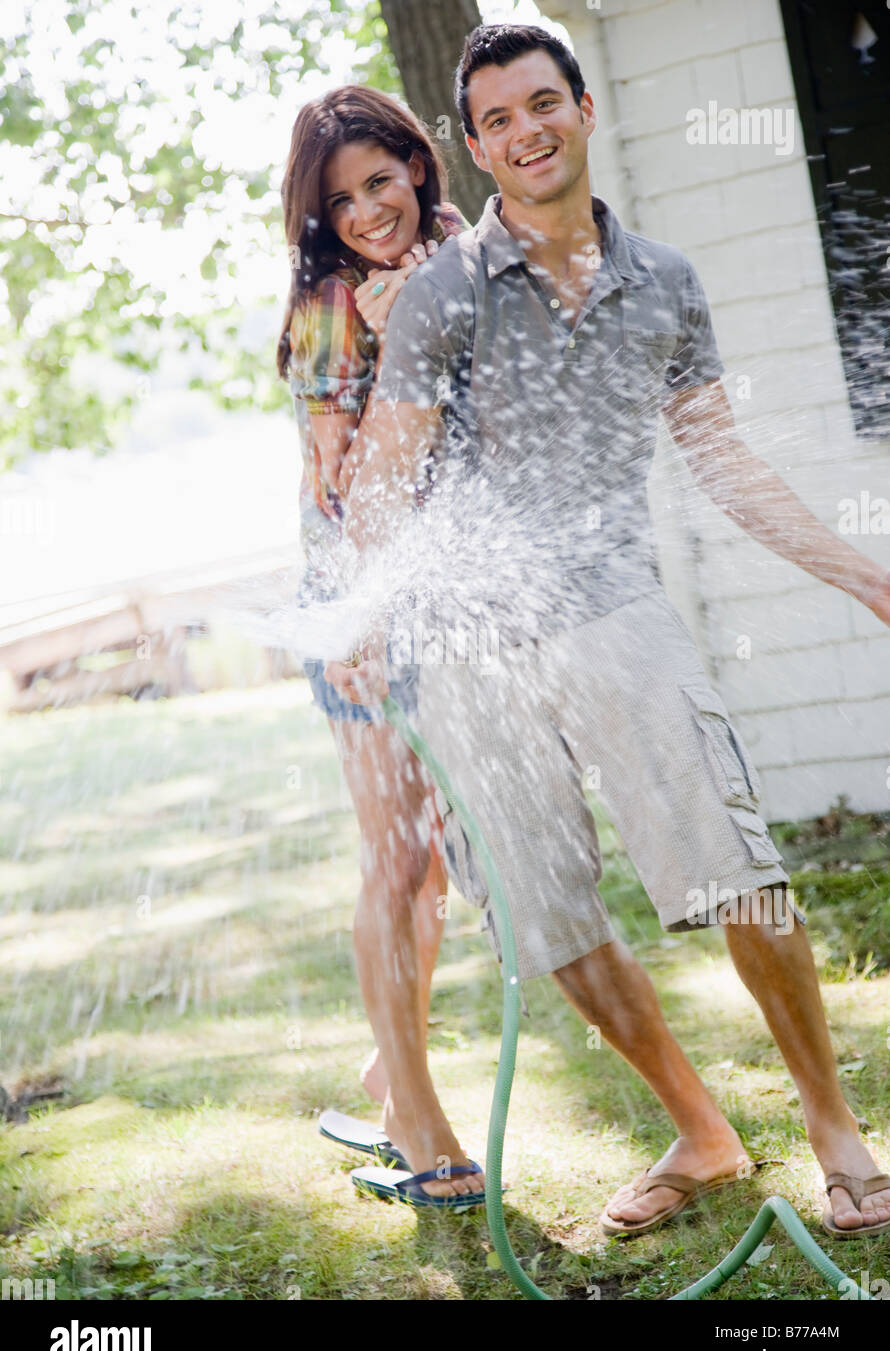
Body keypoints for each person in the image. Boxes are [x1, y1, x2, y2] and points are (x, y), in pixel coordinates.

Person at [326, 25, 890, 1237]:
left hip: (617, 614)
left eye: (544, 104)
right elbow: (383, 470)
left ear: (583, 108)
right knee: (548, 916)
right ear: (471, 147)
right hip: (467, 652)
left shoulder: (666, 282)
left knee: (736, 873)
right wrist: (367, 614)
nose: (526, 132)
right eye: (497, 120)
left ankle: (836, 1129)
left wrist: (859, 572)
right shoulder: (438, 291)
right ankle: (698, 1131)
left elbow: (721, 458)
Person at [278, 86, 484, 1202]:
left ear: (417, 164)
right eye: (339, 198)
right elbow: (335, 476)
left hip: (441, 607)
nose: (365, 211)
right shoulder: (326, 301)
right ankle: (417, 1124)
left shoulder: (458, 248)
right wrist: (358, 617)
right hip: (354, 608)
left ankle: (381, 1060)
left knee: (439, 864)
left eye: (379, 180)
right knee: (393, 856)